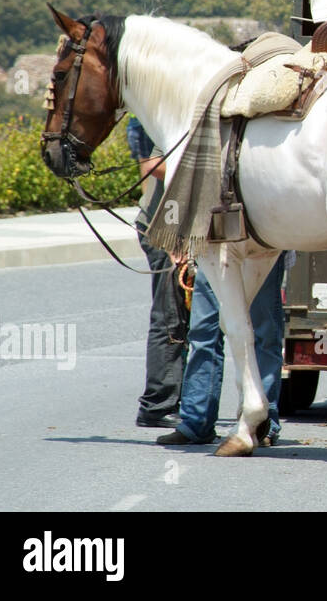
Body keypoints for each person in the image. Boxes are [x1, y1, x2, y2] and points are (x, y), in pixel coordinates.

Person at [157, 253, 289, 446]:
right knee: (203, 330)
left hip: (261, 248)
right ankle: (197, 420)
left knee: (264, 331)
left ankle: (263, 422)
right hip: (215, 247)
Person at [128, 116, 187, 429]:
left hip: (177, 228)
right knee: (170, 315)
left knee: (183, 316)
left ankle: (178, 398)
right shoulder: (164, 115)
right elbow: (153, 166)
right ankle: (157, 404)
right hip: (164, 229)